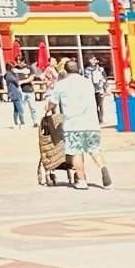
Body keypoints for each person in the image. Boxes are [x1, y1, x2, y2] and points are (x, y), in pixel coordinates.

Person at [52, 57, 111, 189]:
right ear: (78, 70)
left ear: (65, 71)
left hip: (73, 124)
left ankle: (82, 180)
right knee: (94, 149)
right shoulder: (87, 83)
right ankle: (102, 167)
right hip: (91, 123)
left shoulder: (61, 85)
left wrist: (48, 108)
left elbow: (53, 102)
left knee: (76, 152)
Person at [84, 55, 109, 125]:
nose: (92, 61)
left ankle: (101, 119)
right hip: (91, 90)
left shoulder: (100, 69)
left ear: (97, 61)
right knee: (94, 105)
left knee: (100, 105)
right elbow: (85, 80)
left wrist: (105, 89)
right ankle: (97, 119)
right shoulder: (87, 70)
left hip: (100, 89)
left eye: (94, 60)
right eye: (91, 59)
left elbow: (105, 79)